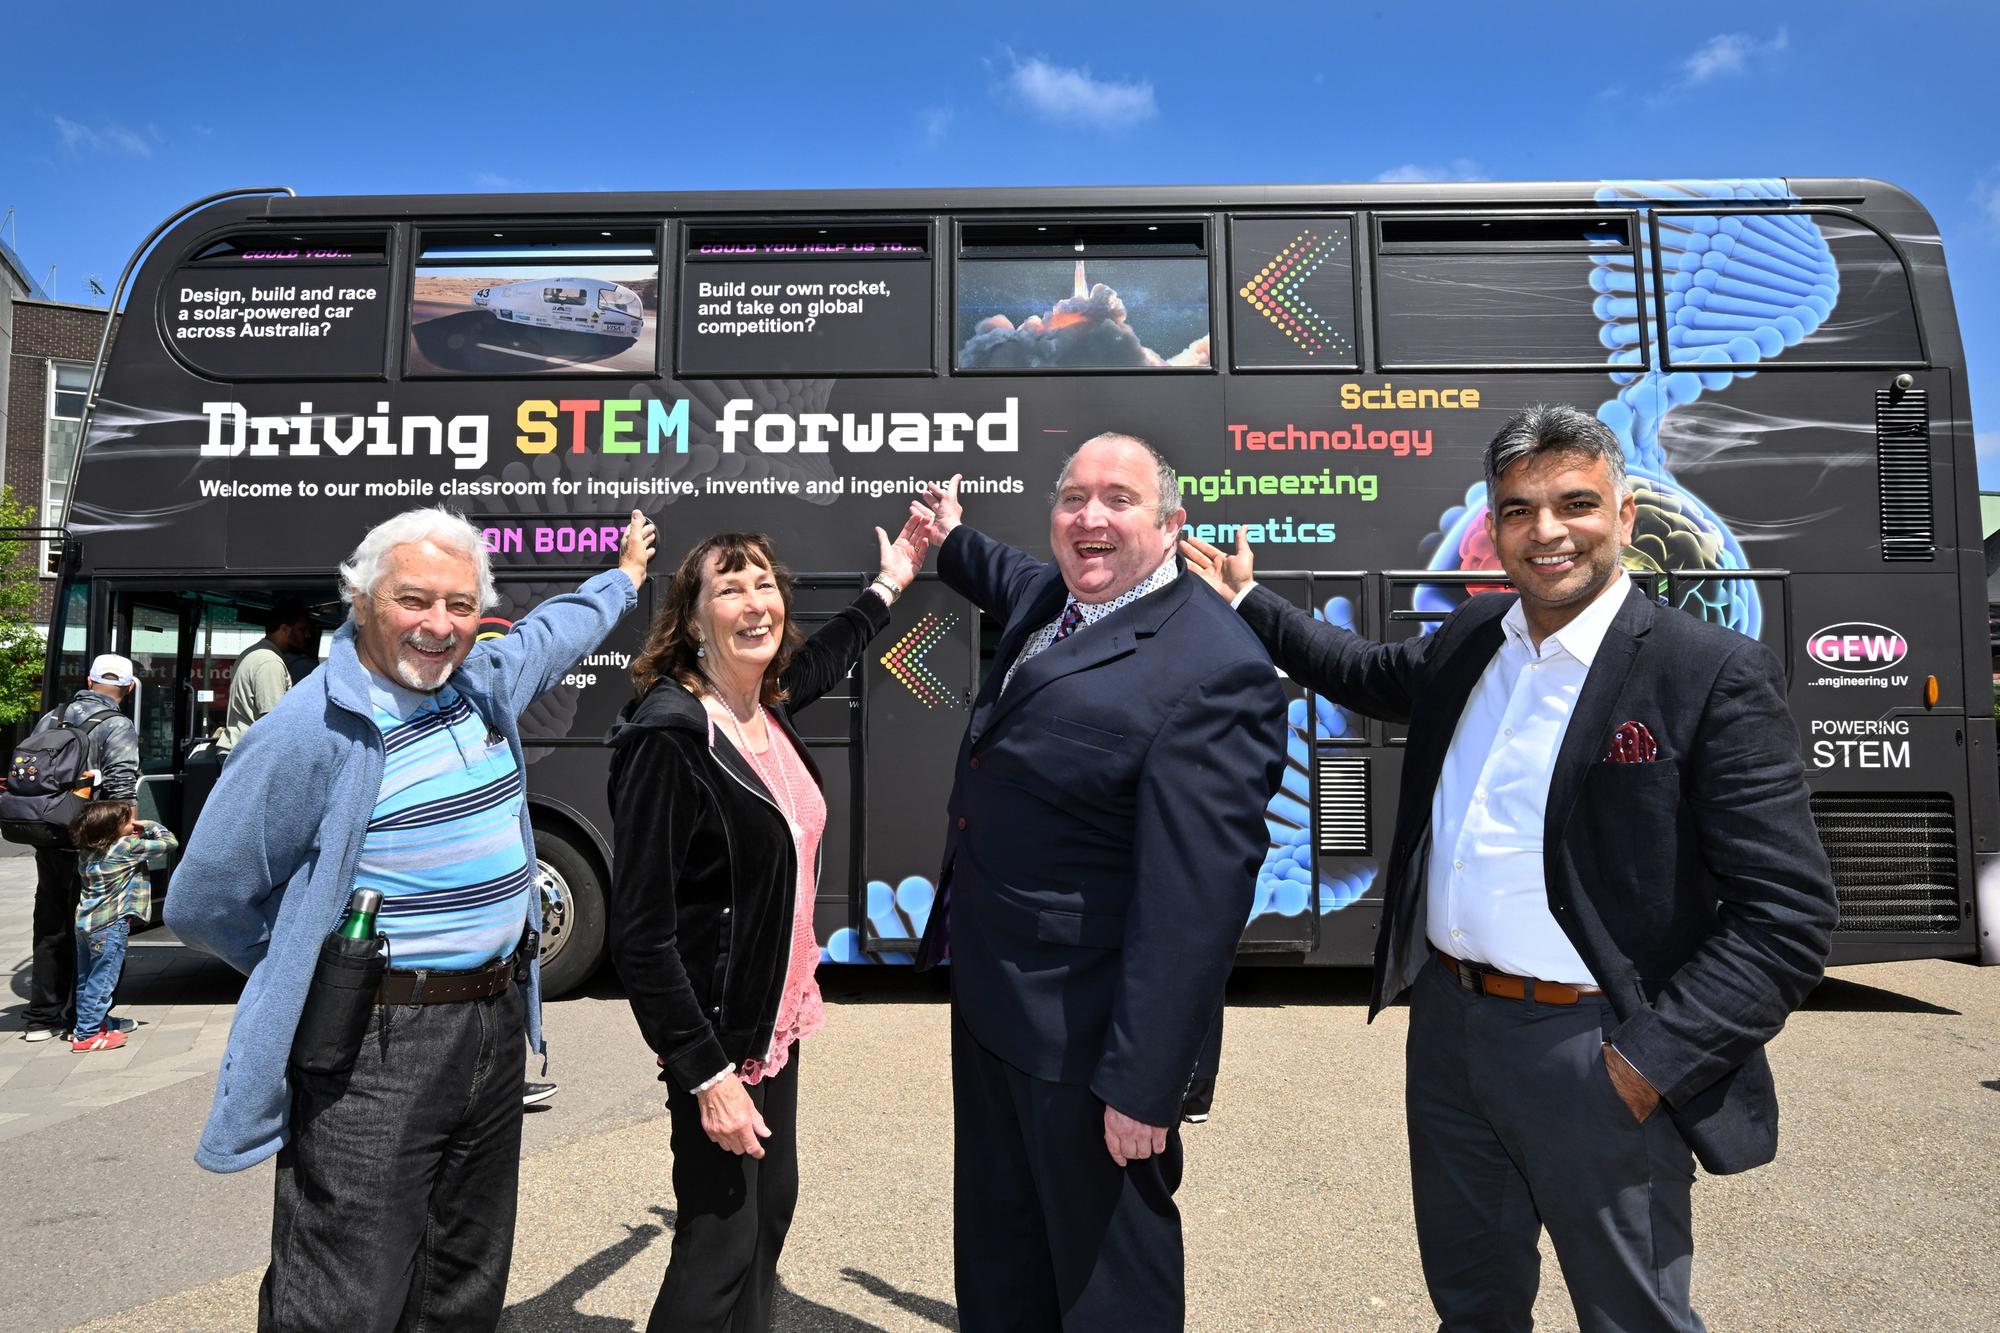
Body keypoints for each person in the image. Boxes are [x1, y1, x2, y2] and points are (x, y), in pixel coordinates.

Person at [1181, 403, 1838, 1331]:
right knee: (1473, 1305)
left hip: (1596, 1050)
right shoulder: (1473, 641)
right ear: (1494, 528)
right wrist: (1250, 600)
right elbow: (1361, 668)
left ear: (1624, 516)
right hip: (1451, 1034)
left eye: (1575, 503)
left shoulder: (1707, 670)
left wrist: (1645, 1065)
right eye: (1520, 510)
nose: (1549, 531)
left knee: (1633, 1315)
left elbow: (1787, 915)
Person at [165, 505, 656, 1332]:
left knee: (463, 1276)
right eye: (414, 600)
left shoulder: (481, 686)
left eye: (460, 606)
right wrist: (309, 970)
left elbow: (553, 632)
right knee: (344, 1293)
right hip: (373, 1041)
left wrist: (627, 579)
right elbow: (204, 899)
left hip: (494, 1023)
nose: (439, 625)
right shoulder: (307, 731)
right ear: (361, 599)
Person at [907, 438, 1287, 1331]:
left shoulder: (1214, 666)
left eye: (1119, 499)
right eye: (1074, 497)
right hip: (1000, 1006)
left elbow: (1193, 905)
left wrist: (1144, 1082)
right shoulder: (1056, 595)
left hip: (1091, 1044)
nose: (1091, 518)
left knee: (1108, 1285)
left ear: (1170, 524)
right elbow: (1002, 571)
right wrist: (950, 536)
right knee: (1004, 1261)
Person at [605, 515, 930, 1332]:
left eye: (764, 585)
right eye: (729, 587)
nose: (755, 603)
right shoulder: (672, 734)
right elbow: (641, 935)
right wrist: (706, 1076)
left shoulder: (763, 707)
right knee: (719, 1244)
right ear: (691, 617)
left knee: (767, 1214)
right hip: (718, 1039)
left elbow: (825, 655)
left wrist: (893, 578)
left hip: (773, 1021)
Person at [19, 653, 141, 1043]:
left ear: (88, 682)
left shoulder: (51, 718)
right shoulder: (117, 725)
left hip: (49, 834)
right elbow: (122, 788)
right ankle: (87, 1019)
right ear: (129, 688)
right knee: (96, 927)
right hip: (93, 843)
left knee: (50, 921)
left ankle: (41, 1018)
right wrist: (129, 839)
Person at [68, 800, 178, 1052]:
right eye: (128, 822)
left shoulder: (86, 850)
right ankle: (87, 1036)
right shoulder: (126, 847)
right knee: (103, 982)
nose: (133, 824)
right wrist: (148, 824)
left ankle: (90, 1022)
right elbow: (169, 842)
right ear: (111, 829)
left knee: (87, 979)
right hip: (110, 926)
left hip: (85, 924)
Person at [213, 599, 320, 754]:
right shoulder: (270, 662)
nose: (308, 635)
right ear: (284, 629)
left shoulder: (253, 653)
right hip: (247, 758)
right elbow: (273, 721)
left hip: (239, 753)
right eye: (301, 630)